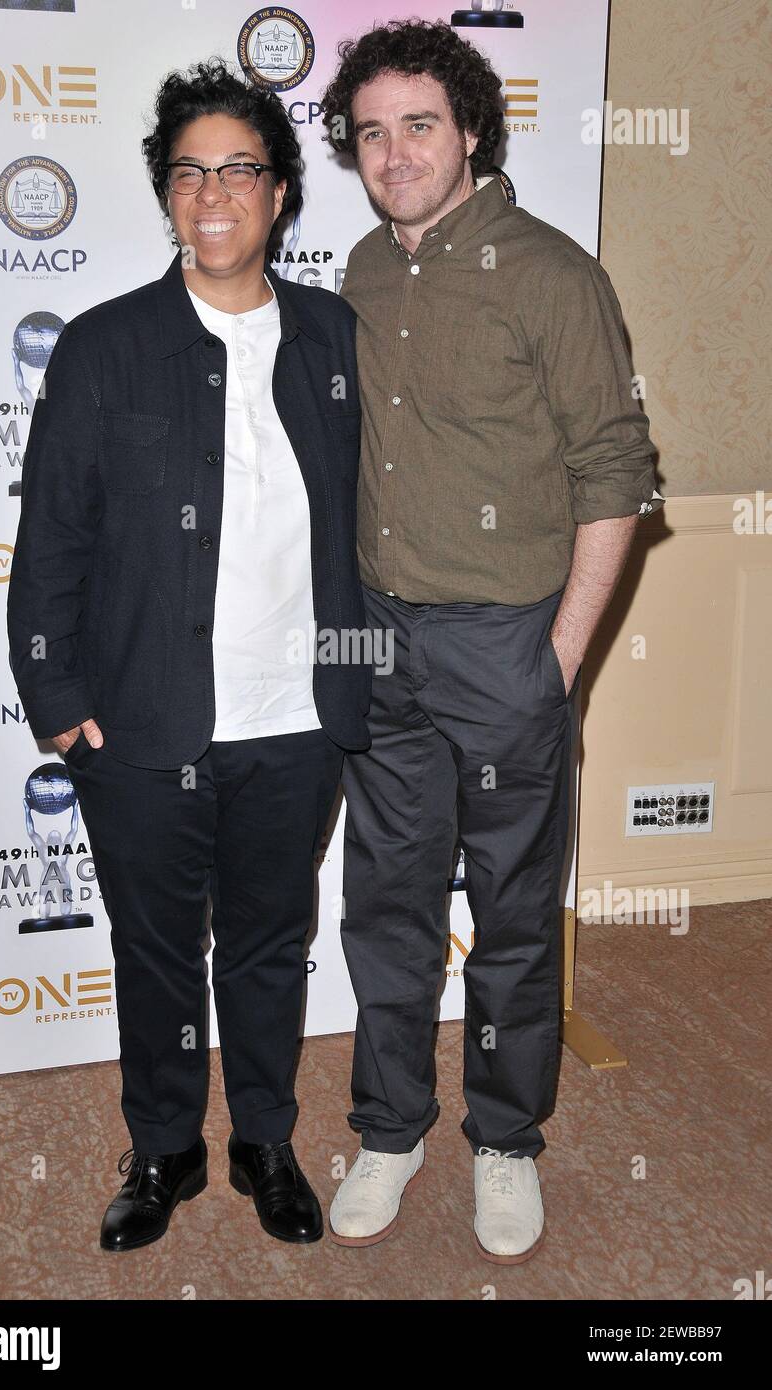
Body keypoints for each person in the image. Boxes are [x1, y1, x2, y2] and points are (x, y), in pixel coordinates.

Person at [7, 59, 371, 1252]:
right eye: (188, 172)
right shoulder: (106, 346)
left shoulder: (334, 337)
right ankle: (163, 1149)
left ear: (279, 194)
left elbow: (372, 527)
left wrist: (357, 686)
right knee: (157, 950)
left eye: (239, 170)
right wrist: (58, 699)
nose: (213, 192)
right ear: (167, 194)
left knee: (270, 943)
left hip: (296, 722)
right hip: (143, 722)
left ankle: (265, 1140)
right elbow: (52, 533)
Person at [320, 20, 664, 1262]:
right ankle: (390, 1127)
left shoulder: (550, 275)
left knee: (514, 913)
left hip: (505, 640)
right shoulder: (357, 272)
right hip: (377, 637)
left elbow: (615, 472)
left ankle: (506, 1141)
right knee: (386, 903)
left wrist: (557, 660)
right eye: (370, 131)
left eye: (420, 123)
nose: (396, 150)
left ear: (468, 129)